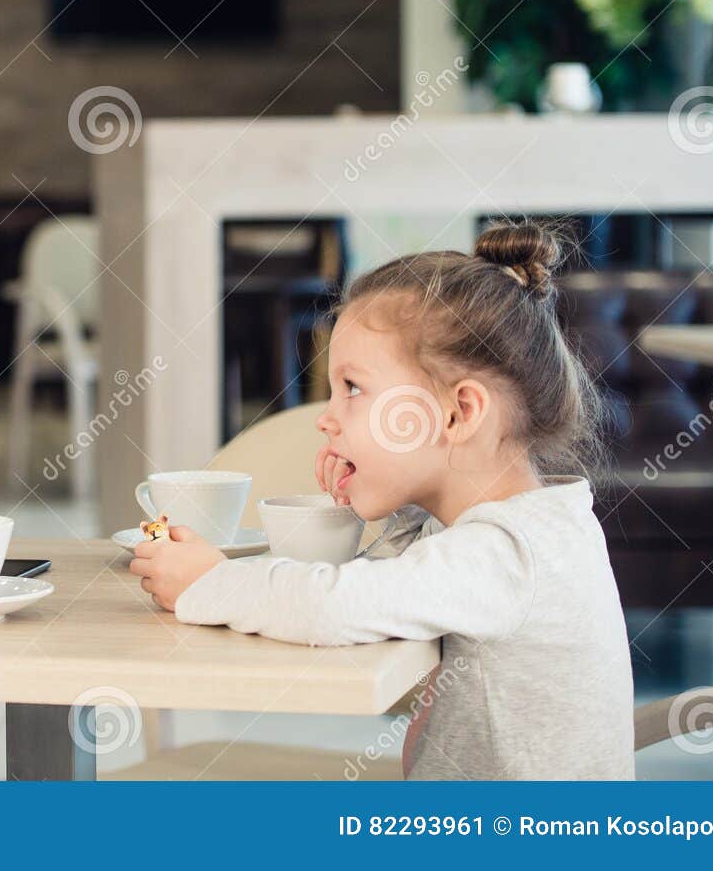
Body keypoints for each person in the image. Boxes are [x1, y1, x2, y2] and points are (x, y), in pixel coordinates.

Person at [129, 222, 635, 779]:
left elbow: (335, 605)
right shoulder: (503, 528)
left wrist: (209, 583)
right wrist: (379, 507)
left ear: (459, 413)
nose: (325, 417)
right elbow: (387, 588)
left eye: (352, 388)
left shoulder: (512, 551)